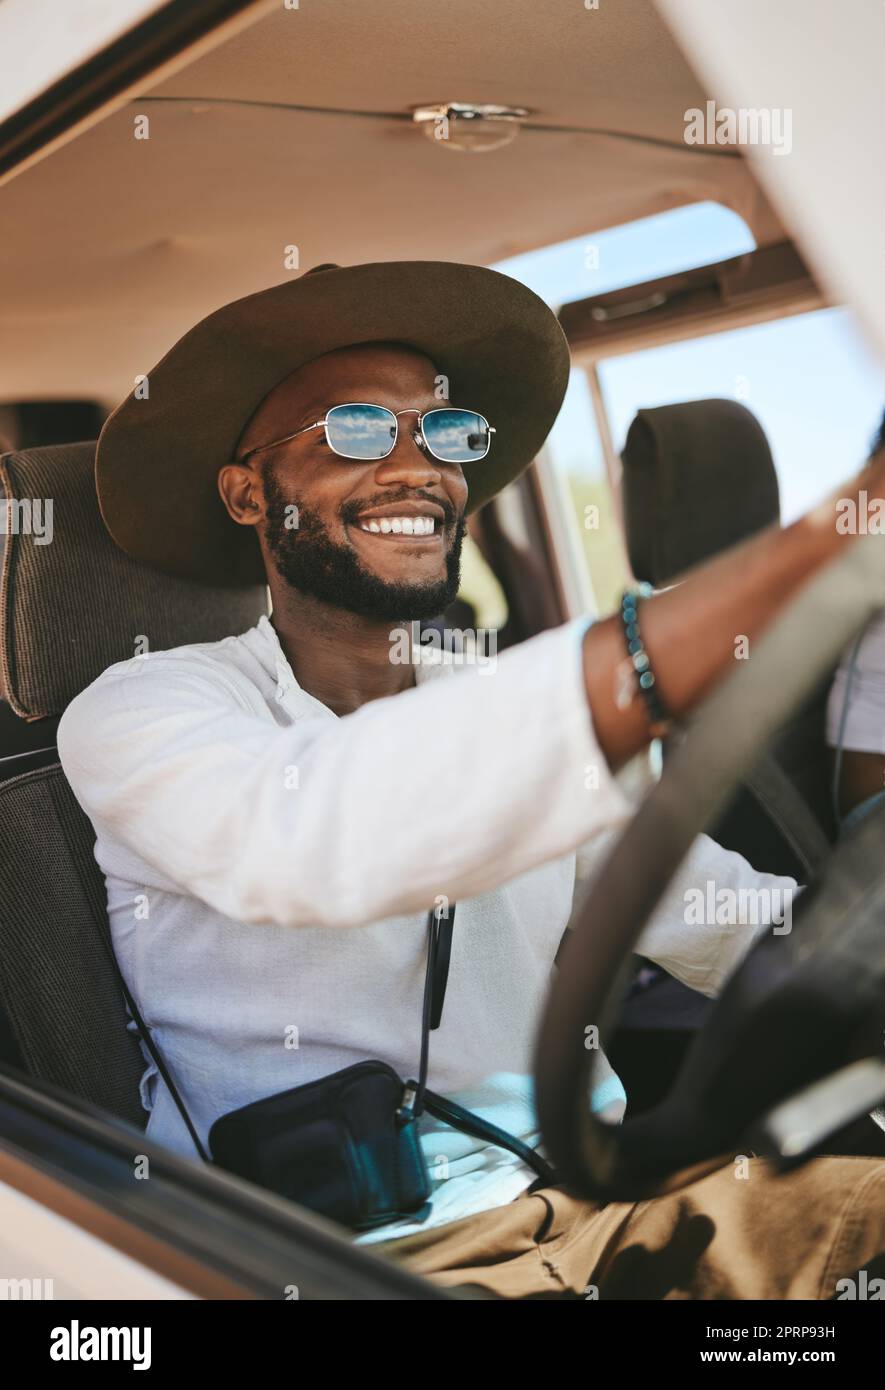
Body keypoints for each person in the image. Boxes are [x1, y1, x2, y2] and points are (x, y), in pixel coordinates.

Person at [58, 261, 885, 1299]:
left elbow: (718, 920)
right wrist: (833, 541)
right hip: (341, 1259)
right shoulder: (140, 712)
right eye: (356, 430)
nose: (420, 467)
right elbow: (316, 838)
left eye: (446, 435)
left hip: (608, 1202)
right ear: (245, 492)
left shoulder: (497, 699)